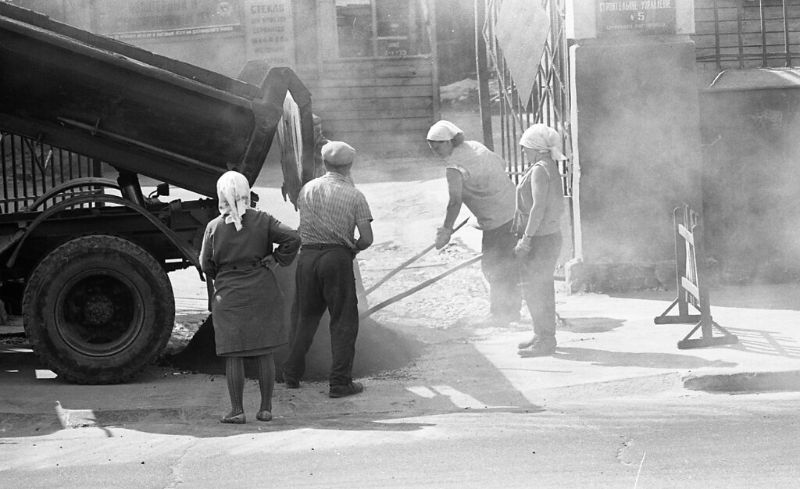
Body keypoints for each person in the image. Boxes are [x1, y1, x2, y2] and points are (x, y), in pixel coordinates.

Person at [200, 171, 300, 424]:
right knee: (264, 350)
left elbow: (206, 264)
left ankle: (237, 411)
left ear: (221, 195)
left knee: (234, 353)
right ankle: (265, 409)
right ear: (246, 193)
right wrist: (276, 258)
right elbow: (293, 238)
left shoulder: (214, 227)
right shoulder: (264, 220)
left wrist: (223, 273)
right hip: (262, 289)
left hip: (229, 295)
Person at [283, 140, 374, 398]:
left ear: (324, 163)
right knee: (343, 321)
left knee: (304, 317)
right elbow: (366, 238)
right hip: (336, 259)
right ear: (350, 166)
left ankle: (291, 374)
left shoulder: (307, 189)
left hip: (308, 258)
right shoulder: (355, 195)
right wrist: (353, 247)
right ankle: (340, 383)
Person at [426, 120, 520, 324]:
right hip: (514, 209)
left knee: (493, 266)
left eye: (439, 144)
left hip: (496, 220)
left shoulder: (453, 167)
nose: (435, 149)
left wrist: (446, 231)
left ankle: (501, 314)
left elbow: (454, 202)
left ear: (451, 141)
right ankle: (512, 310)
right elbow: (501, 163)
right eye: (431, 145)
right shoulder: (477, 146)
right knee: (508, 264)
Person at [513, 124, 566, 357]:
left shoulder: (538, 170)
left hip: (541, 239)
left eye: (525, 149)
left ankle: (545, 339)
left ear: (534, 149)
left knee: (538, 289)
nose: (523, 152)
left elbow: (538, 207)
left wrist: (526, 239)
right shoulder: (548, 166)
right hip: (547, 236)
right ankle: (540, 334)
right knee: (538, 287)